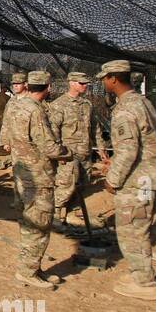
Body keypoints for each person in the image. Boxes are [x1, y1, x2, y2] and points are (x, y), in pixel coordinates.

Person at [97, 59, 156, 301]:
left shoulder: (126, 109)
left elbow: (128, 150)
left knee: (131, 231)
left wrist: (113, 179)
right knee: (141, 228)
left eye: (105, 78)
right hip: (150, 177)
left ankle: (145, 283)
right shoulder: (143, 102)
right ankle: (141, 274)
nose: (104, 83)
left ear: (113, 79)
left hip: (137, 181)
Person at [0, 70, 71, 289]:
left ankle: (31, 267)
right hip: (38, 176)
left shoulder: (15, 106)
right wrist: (67, 153)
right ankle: (27, 272)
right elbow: (48, 147)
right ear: (48, 88)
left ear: (28, 86)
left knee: (28, 223)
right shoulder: (35, 111)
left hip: (22, 174)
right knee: (39, 225)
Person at [45, 72, 95, 230]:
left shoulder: (87, 104)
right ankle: (54, 215)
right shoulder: (59, 105)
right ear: (72, 83)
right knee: (65, 185)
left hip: (85, 153)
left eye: (86, 83)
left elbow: (94, 127)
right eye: (82, 83)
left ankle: (71, 212)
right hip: (68, 154)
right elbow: (53, 131)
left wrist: (100, 147)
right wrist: (59, 153)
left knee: (83, 184)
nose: (85, 86)